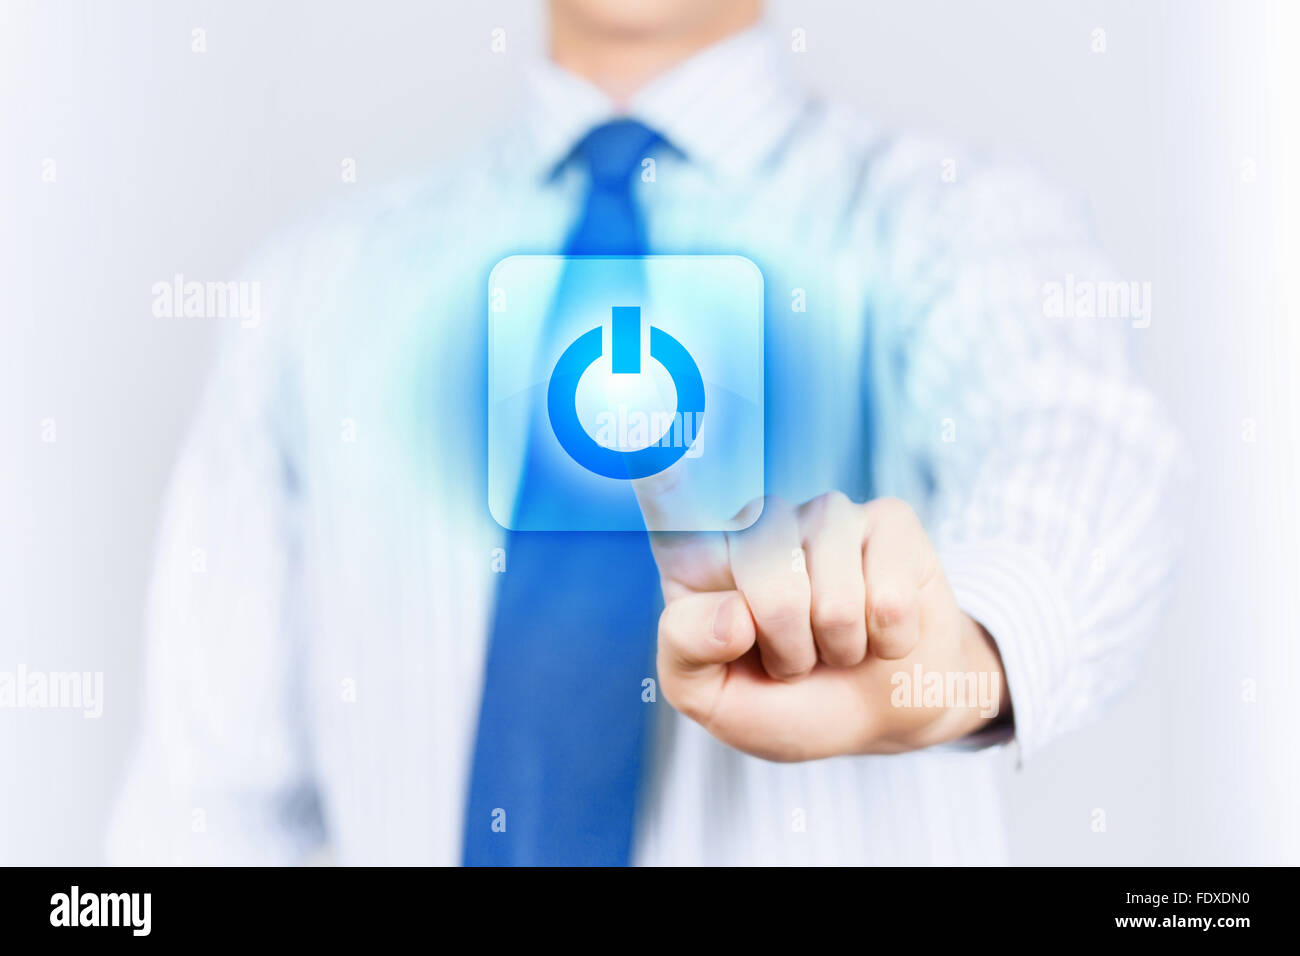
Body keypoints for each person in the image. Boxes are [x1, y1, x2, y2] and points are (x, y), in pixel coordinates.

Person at [108, 0, 1179, 865]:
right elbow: (212, 813)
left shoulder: (953, 221)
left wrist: (963, 652)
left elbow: (1080, 443)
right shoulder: (313, 292)